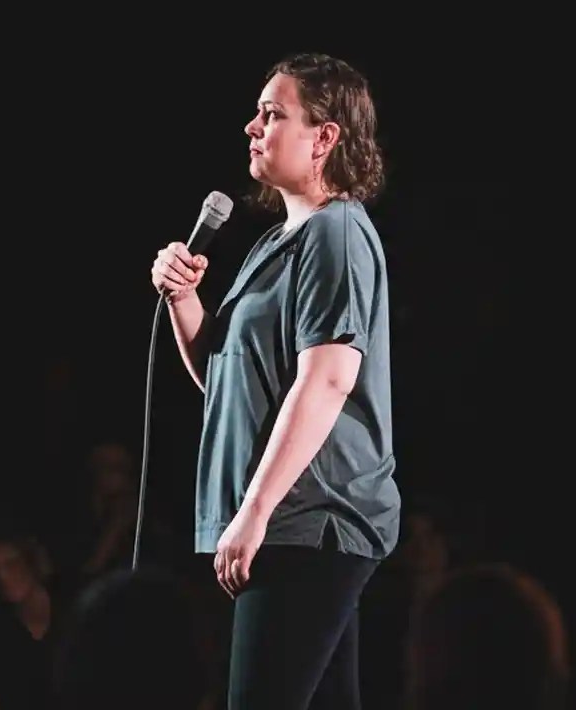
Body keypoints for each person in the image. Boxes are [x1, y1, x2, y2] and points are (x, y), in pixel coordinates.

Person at [150, 52, 400, 710]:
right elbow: (229, 382)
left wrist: (254, 513)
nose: (251, 126)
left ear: (325, 138)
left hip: (307, 522)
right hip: (287, 528)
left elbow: (325, 383)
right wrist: (184, 304)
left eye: (273, 113)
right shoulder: (275, 244)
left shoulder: (337, 233)